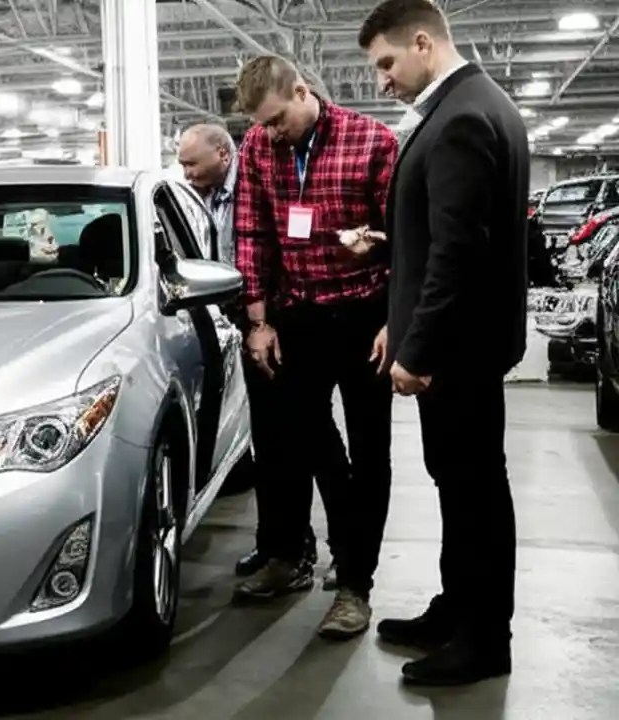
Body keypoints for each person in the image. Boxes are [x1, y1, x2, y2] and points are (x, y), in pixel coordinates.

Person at [359, 0, 527, 685]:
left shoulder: (458, 119)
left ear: (423, 42)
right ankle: (459, 607)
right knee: (463, 488)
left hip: (457, 353)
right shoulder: (476, 103)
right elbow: (444, 235)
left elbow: (458, 253)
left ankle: (485, 639)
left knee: (474, 493)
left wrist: (415, 348)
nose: (381, 81)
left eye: (386, 63)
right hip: (468, 347)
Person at [230, 55, 398, 640]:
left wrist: (378, 251)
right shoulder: (257, 147)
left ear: (302, 91)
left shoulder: (371, 140)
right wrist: (258, 321)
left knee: (370, 452)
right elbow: (251, 233)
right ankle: (297, 556)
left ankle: (355, 585)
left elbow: (405, 232)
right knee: (303, 439)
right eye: (263, 125)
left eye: (277, 121)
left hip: (364, 315)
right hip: (297, 312)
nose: (270, 134)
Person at [178, 123, 352, 590]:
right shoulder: (205, 198)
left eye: (191, 162)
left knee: (315, 439)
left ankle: (347, 551)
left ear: (223, 153)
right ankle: (283, 545)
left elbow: (283, 253)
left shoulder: (256, 189)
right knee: (271, 444)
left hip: (283, 323)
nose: (184, 170)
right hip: (247, 325)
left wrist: (267, 320)